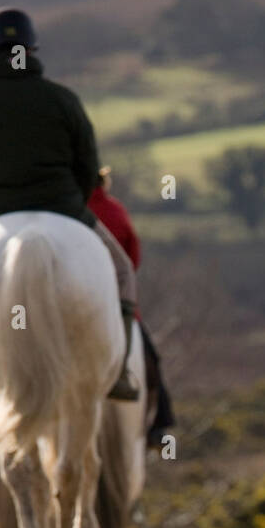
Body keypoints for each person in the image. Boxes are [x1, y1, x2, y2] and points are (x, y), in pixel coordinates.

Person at [0, 6, 139, 422]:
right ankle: (117, 374)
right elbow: (87, 169)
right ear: (32, 49)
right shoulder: (62, 98)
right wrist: (71, 204)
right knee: (122, 274)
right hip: (64, 206)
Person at [87, 166, 175, 446]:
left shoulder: (57, 213)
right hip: (114, 305)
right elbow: (132, 259)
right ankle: (158, 426)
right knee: (151, 359)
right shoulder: (114, 210)